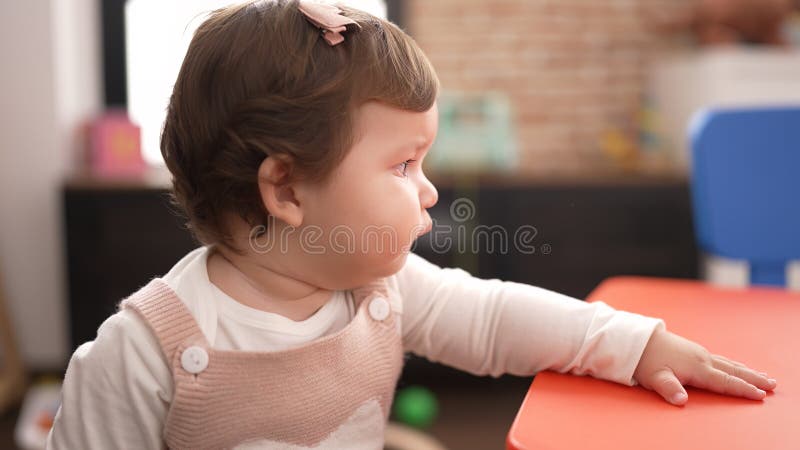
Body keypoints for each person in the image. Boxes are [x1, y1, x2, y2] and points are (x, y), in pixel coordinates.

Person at [47, 1, 777, 448]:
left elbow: (494, 318)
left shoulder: (382, 285)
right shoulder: (143, 356)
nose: (428, 192)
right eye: (403, 166)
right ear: (286, 187)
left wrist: (636, 342)